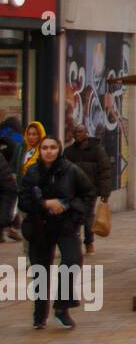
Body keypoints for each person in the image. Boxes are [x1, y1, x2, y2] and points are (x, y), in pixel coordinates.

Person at [19, 135, 94, 329]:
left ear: (59, 149)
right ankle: (40, 315)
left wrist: (70, 209)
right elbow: (24, 201)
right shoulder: (31, 173)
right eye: (45, 148)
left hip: (66, 225)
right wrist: (45, 204)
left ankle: (62, 307)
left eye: (53, 147)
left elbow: (88, 194)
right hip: (40, 226)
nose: (49, 151)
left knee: (72, 261)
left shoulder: (71, 170)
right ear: (40, 150)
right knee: (40, 271)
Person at [64, 123, 111, 254]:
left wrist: (105, 191)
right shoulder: (68, 152)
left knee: (88, 216)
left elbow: (105, 170)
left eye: (80, 132)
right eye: (75, 132)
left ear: (86, 133)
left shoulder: (97, 149)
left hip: (91, 189)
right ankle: (75, 241)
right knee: (74, 215)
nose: (77, 135)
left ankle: (89, 242)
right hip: (74, 190)